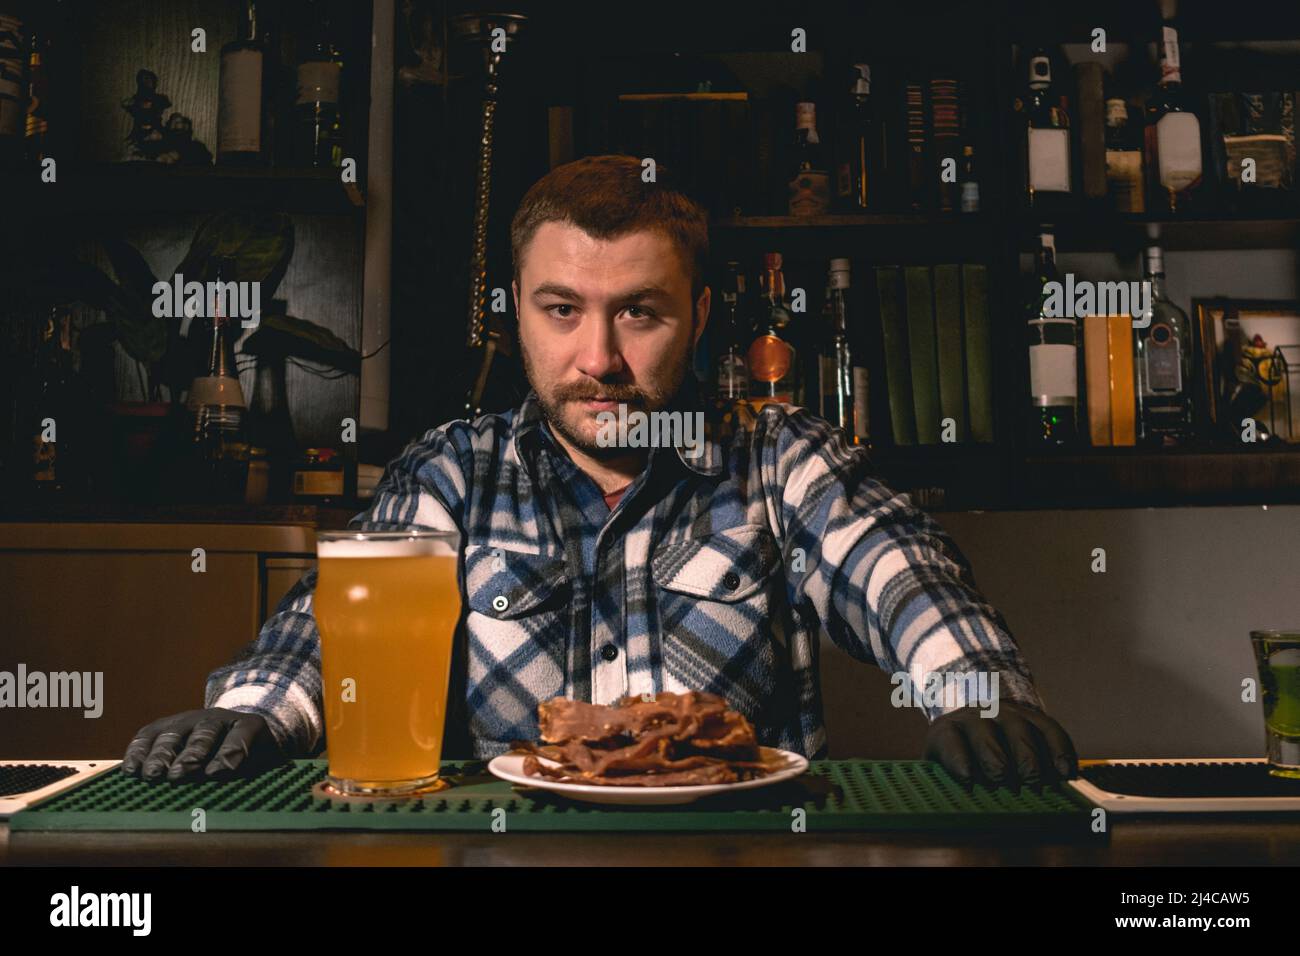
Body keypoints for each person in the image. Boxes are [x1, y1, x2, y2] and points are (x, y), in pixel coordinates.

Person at [121, 155, 1077, 790]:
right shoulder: (453, 472)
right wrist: (252, 716)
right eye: (562, 310)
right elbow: (333, 627)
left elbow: (901, 572)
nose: (600, 359)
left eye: (640, 314)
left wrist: (977, 693)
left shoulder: (780, 461)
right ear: (519, 316)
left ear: (700, 319)